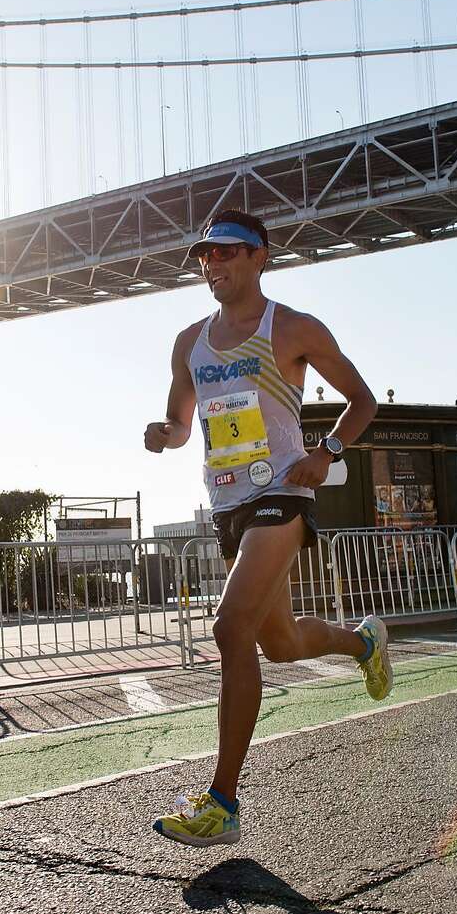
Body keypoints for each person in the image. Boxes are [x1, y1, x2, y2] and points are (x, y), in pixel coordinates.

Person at [143, 209, 384, 848]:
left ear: (260, 257)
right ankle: (363, 644)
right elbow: (181, 421)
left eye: (226, 254)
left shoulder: (294, 329)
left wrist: (326, 451)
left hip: (282, 493)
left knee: (230, 629)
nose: (212, 266)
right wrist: (163, 436)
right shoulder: (189, 341)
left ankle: (222, 802)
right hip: (228, 505)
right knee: (277, 645)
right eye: (205, 257)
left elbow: (364, 402)